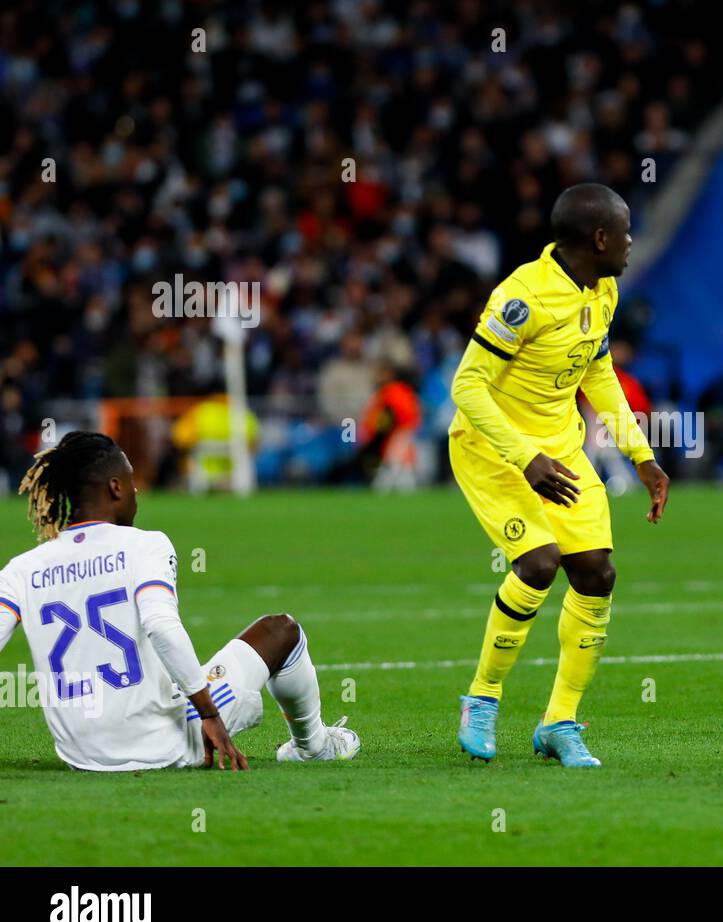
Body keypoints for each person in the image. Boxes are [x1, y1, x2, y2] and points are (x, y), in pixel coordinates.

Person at [447, 183, 670, 767]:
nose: (630, 242)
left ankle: (560, 722)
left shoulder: (605, 290)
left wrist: (641, 456)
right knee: (539, 563)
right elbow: (466, 385)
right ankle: (483, 697)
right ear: (599, 238)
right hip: (492, 450)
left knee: (596, 573)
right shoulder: (521, 296)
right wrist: (525, 457)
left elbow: (598, 375)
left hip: (561, 450)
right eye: (624, 232)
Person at [0, 431, 360, 771]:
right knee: (281, 630)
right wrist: (209, 714)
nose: (136, 490)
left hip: (80, 752)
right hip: (162, 744)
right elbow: (161, 626)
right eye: (130, 481)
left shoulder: (22, 569)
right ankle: (312, 746)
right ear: (114, 488)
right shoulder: (146, 545)